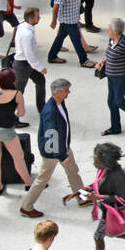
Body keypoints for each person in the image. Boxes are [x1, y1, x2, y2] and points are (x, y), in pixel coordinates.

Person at [20, 79, 86, 218]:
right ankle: (26, 207)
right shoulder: (51, 111)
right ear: (58, 92)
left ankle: (82, 198)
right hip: (54, 152)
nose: (69, 92)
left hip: (62, 147)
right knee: (43, 179)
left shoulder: (59, 102)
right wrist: (62, 156)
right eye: (67, 90)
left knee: (73, 172)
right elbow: (51, 137)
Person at [0, 67, 35, 193]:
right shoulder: (17, 94)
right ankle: (28, 183)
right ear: (12, 80)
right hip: (6, 131)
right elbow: (21, 113)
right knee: (18, 157)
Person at [83, 142, 125, 250]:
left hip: (115, 211)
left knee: (98, 237)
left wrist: (98, 197)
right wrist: (82, 191)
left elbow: (120, 198)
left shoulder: (118, 175)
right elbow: (97, 184)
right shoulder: (102, 170)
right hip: (107, 210)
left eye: (96, 160)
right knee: (116, 232)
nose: (93, 163)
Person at [47, 0, 95, 68]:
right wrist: (54, 20)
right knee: (76, 39)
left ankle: (52, 56)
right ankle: (84, 60)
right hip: (68, 19)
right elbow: (56, 5)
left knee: (60, 37)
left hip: (71, 17)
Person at [12, 6, 48, 114]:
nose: (40, 18)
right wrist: (40, 67)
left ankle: (42, 107)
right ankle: (13, 117)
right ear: (31, 19)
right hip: (23, 65)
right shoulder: (27, 34)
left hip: (28, 64)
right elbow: (29, 54)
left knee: (40, 81)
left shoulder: (23, 26)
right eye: (37, 17)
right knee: (18, 91)